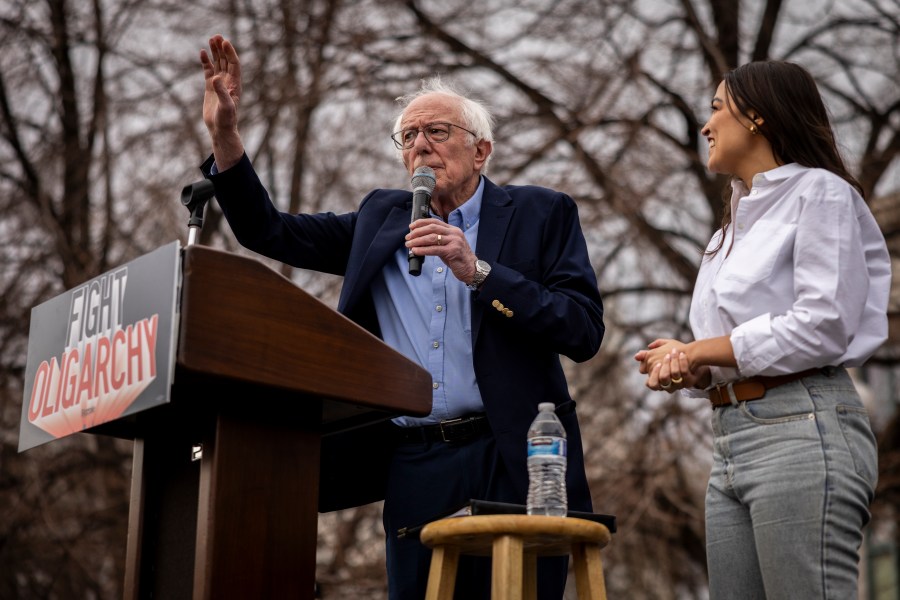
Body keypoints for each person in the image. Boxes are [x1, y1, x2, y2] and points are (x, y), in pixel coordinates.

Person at [198, 34, 605, 599]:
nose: (421, 146)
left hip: (511, 455)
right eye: (408, 136)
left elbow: (583, 329)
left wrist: (479, 271)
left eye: (438, 132)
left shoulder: (542, 213)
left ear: (481, 150)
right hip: (415, 460)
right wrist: (226, 137)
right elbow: (268, 231)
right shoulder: (379, 220)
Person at [634, 60, 891, 599]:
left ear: (756, 117)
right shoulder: (726, 233)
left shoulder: (820, 194)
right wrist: (693, 369)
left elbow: (822, 326)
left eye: (715, 108)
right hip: (730, 438)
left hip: (803, 427)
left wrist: (700, 347)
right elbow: (738, 347)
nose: (705, 126)